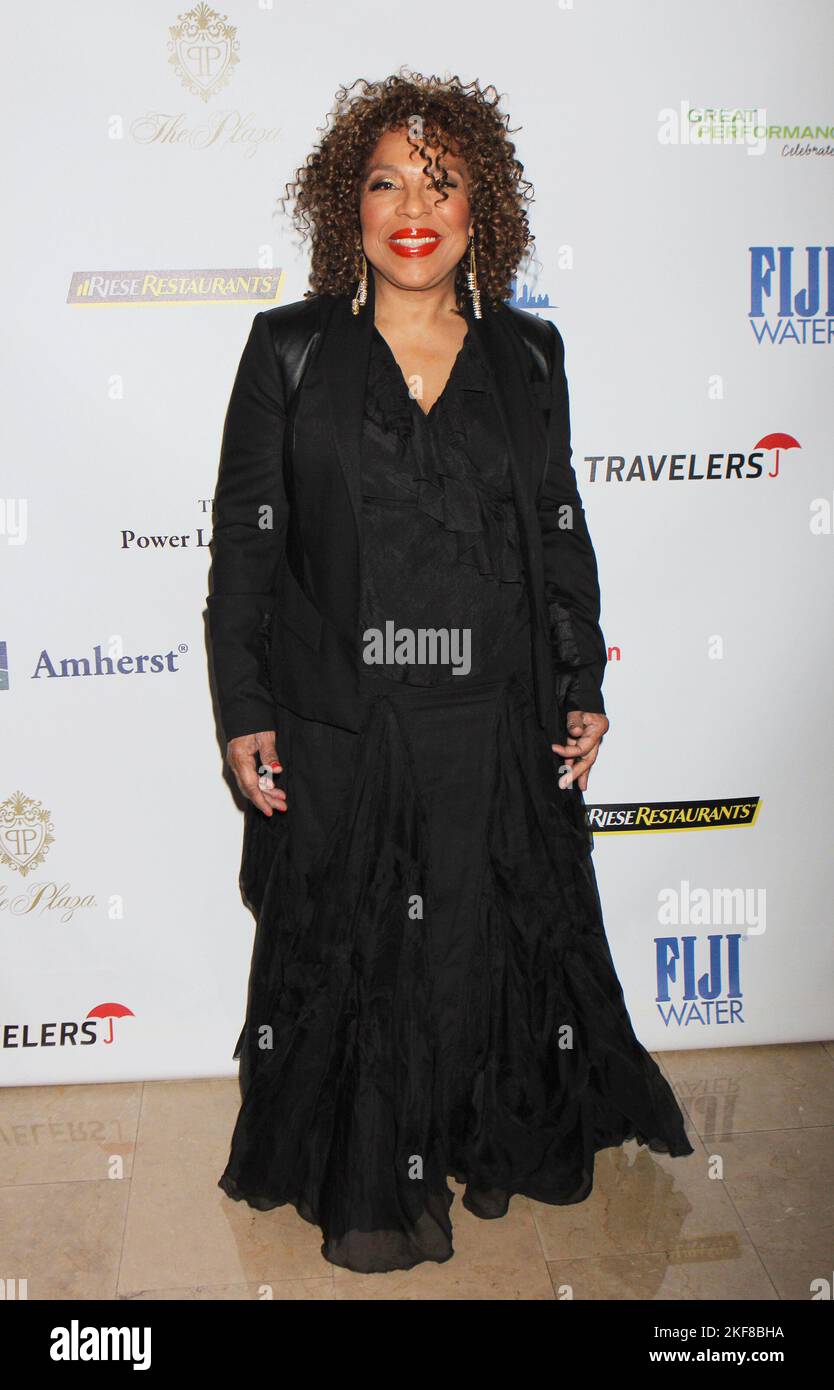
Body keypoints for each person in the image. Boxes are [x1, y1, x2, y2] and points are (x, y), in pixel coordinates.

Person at [207, 72, 693, 1275]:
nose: (412, 206)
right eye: (385, 181)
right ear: (348, 207)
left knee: (483, 948)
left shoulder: (529, 357)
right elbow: (246, 550)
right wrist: (246, 710)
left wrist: (580, 678)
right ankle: (377, 1151)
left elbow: (560, 529)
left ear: (487, 208)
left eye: (442, 180)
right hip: (346, 724)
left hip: (494, 720)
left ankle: (484, 1132)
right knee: (363, 955)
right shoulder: (292, 351)